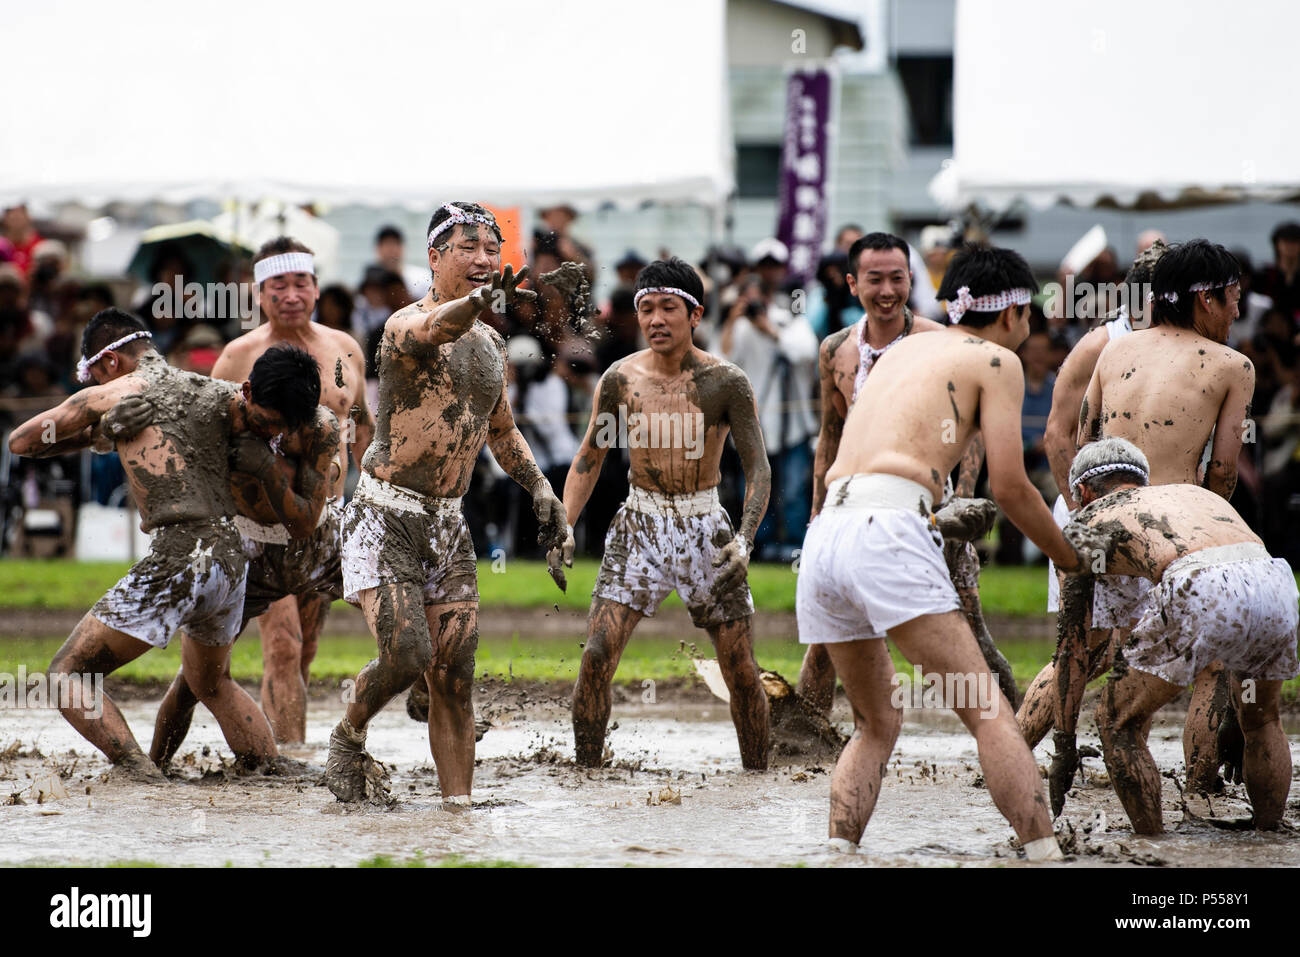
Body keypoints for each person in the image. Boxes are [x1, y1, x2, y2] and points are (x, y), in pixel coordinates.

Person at [795, 244, 1090, 860]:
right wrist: (1069, 557)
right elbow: (1010, 487)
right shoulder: (995, 360)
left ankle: (836, 855)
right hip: (887, 529)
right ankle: (1044, 855)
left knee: (876, 724)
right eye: (1029, 314)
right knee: (986, 710)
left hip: (826, 534)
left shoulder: (899, 350)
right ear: (1010, 312)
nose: (1031, 328)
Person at [325, 201, 566, 806]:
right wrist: (479, 303)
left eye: (493, 250)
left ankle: (457, 811)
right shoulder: (406, 325)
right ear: (435, 257)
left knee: (454, 680)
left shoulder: (490, 342)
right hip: (386, 517)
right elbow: (439, 329)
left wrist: (541, 489)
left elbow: (502, 431)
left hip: (447, 526)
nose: (485, 260)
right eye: (470, 248)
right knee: (408, 653)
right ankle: (348, 733)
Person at [6, 309, 308, 777]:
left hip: (180, 554)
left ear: (107, 363)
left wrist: (101, 427)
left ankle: (139, 773)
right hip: (231, 558)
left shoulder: (115, 392)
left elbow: (22, 442)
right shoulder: (219, 392)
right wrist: (103, 435)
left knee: (66, 674)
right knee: (213, 684)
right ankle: (271, 767)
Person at [548, 258, 771, 768]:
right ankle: (586, 775)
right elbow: (589, 456)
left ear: (694, 315)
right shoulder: (620, 379)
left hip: (706, 527)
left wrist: (747, 537)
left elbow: (758, 467)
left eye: (668, 308)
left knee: (739, 667)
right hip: (639, 524)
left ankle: (758, 780)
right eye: (646, 309)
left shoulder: (725, 381)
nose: (655, 320)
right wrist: (564, 525)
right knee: (598, 653)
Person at [1051, 240, 1255, 791]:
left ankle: (1025, 756)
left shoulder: (1116, 351)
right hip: (1178, 536)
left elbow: (1082, 442)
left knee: (1080, 656)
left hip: (1107, 523)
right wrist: (1215, 529)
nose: (1239, 311)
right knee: (1210, 664)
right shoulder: (1232, 365)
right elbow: (1226, 471)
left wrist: (1087, 515)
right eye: (1234, 299)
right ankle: (1202, 792)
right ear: (1206, 300)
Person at [799, 233, 1014, 715]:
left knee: (971, 628)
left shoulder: (940, 342)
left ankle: (1016, 732)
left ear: (912, 280)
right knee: (828, 639)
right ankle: (803, 737)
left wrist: (961, 498)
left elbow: (972, 428)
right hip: (855, 509)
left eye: (898, 278)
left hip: (929, 505)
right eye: (875, 280)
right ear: (854, 284)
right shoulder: (836, 350)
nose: (888, 291)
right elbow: (830, 437)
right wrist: (817, 513)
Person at [186, 237, 372, 743]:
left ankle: (289, 743)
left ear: (316, 287)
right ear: (260, 292)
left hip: (323, 520)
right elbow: (208, 436)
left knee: (306, 648)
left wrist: (374, 494)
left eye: (301, 283)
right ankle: (284, 761)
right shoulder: (238, 356)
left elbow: (365, 428)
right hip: (261, 524)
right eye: (278, 285)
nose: (291, 294)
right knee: (284, 645)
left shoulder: (345, 349)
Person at [1065, 438, 1297, 833]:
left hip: (1198, 584)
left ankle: (1152, 841)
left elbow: (1079, 641)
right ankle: (1269, 834)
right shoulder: (1190, 494)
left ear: (1084, 493)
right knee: (1260, 720)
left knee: (1116, 720)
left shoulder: (1092, 519)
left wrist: (1062, 744)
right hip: (1276, 580)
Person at [149, 344, 341, 767]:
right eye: (268, 422)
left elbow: (305, 523)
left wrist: (267, 469)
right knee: (196, 679)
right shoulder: (216, 416)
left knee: (397, 600)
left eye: (284, 428)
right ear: (247, 391)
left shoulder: (319, 428)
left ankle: (427, 693)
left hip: (316, 547)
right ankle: (151, 767)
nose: (274, 434)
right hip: (246, 553)